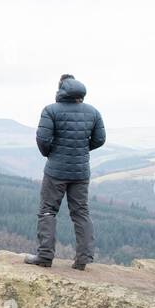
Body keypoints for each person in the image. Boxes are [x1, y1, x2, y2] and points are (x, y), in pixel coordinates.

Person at [25, 74, 105, 269]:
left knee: (47, 211)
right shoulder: (93, 112)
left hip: (55, 172)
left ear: (61, 90)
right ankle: (83, 259)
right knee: (81, 213)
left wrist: (51, 154)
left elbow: (43, 139)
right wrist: (80, 150)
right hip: (80, 172)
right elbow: (100, 139)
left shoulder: (51, 111)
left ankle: (44, 256)